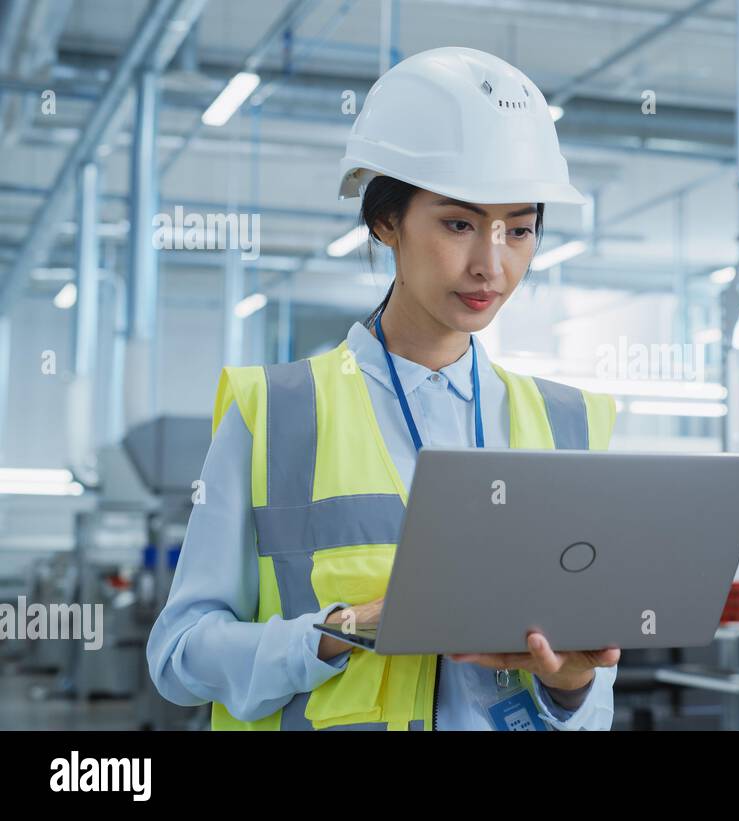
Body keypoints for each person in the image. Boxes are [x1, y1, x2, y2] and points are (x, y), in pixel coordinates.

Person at [147, 47, 619, 731]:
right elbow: (179, 655)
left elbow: (589, 699)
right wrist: (344, 626)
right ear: (385, 221)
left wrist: (572, 688)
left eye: (518, 230)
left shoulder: (569, 424)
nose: (492, 264)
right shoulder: (275, 415)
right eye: (458, 224)